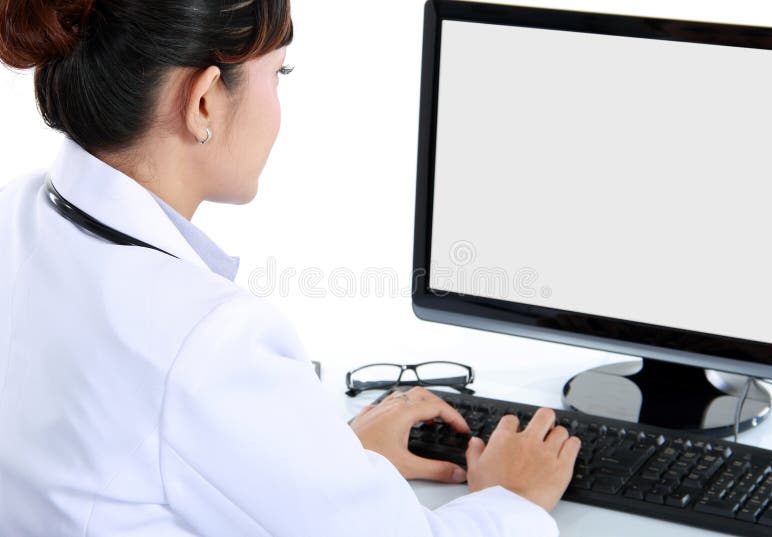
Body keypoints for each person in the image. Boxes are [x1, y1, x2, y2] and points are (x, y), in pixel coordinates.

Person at [0, 1, 580, 535]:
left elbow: (151, 452)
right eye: (279, 73)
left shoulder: (16, 215)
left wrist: (325, 460)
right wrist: (514, 498)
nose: (279, 102)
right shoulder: (205, 341)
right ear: (204, 99)